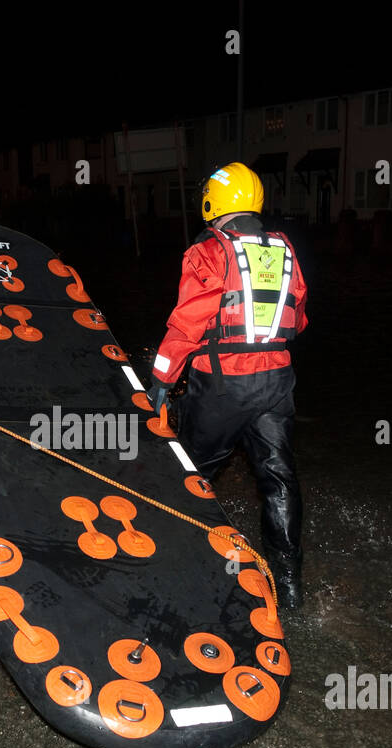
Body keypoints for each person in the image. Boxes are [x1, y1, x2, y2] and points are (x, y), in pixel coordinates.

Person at [146, 162, 309, 607]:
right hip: (277, 383)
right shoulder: (284, 249)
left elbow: (188, 322)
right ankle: (289, 583)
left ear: (214, 201)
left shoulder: (209, 250)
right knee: (279, 479)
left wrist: (161, 377)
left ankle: (177, 566)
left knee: (188, 475)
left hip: (222, 386)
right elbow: (299, 313)